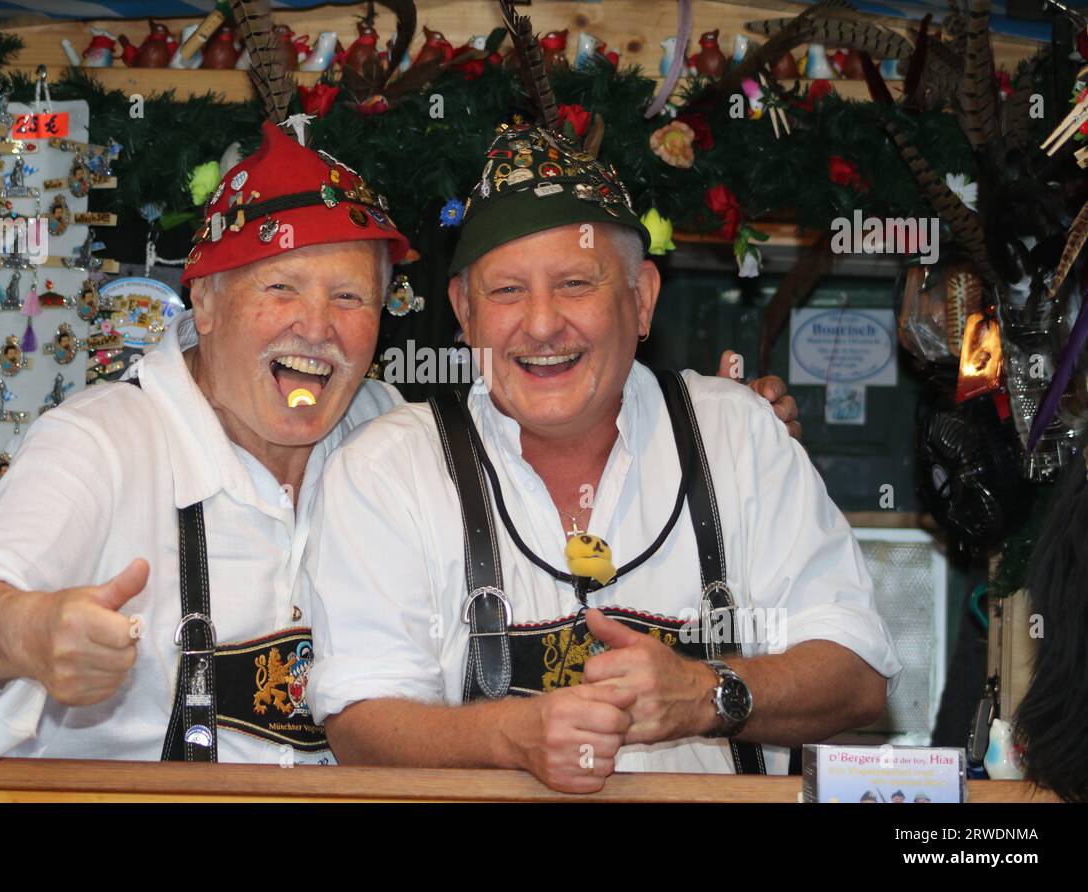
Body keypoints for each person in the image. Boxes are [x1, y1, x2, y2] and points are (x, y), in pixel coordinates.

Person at [302, 120, 901, 793]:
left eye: (575, 284)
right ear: (464, 314)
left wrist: (706, 694)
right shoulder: (389, 468)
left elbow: (857, 673)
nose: (541, 324)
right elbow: (360, 722)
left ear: (641, 300)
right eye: (506, 291)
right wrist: (513, 737)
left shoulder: (738, 435)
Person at [0, 121, 409, 782]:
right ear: (205, 302)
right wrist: (30, 631)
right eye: (281, 288)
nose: (317, 327)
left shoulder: (393, 438)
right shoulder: (102, 440)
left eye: (348, 297)